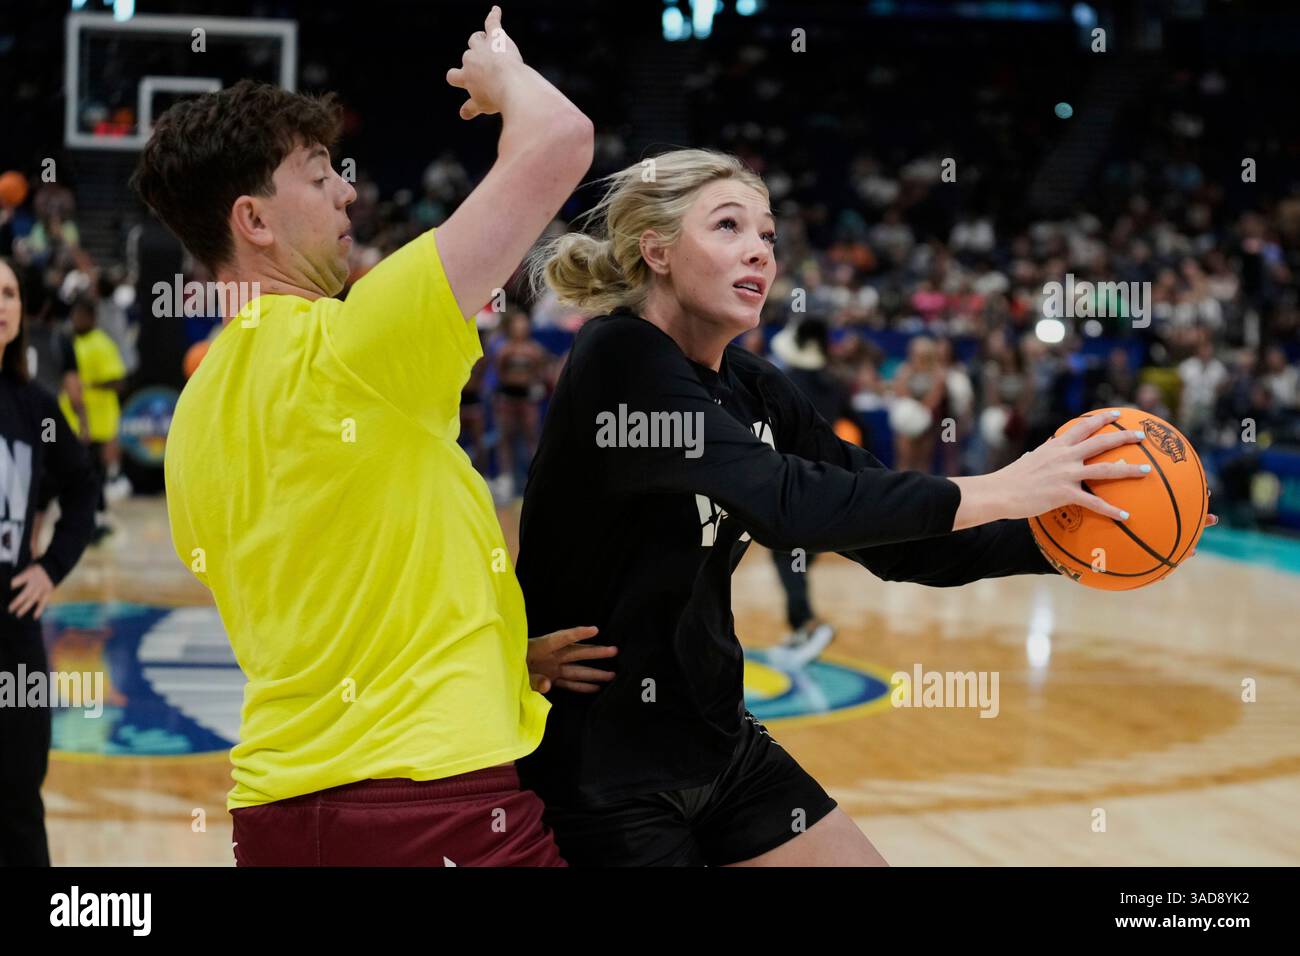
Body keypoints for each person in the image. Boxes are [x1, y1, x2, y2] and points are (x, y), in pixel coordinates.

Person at [514, 148, 1216, 866]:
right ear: (654, 251)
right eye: (728, 227)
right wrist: (1006, 485)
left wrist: (1080, 541)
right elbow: (789, 503)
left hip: (720, 745)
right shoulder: (618, 360)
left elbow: (905, 544)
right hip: (609, 772)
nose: (759, 251)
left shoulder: (756, 389)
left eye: (768, 236)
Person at [132, 7, 608, 866]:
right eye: (319, 178)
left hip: (276, 817)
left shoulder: (194, 413)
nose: (348, 190)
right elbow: (561, 141)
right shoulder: (355, 343)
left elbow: (334, 592)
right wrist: (505, 78)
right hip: (432, 805)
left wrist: (496, 655)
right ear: (255, 221)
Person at [0, 256, 98, 866]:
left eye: (9, 292)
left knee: (16, 799)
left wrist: (51, 567)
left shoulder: (35, 407)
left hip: (12, 631)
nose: (2, 303)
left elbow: (83, 488)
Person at [58, 294, 128, 539]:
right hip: (71, 419)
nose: (76, 319)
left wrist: (90, 385)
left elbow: (119, 382)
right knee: (77, 472)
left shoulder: (102, 344)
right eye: (74, 314)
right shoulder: (67, 343)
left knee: (93, 472)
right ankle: (84, 517)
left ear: (92, 318)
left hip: (98, 421)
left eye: (81, 315)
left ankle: (96, 518)